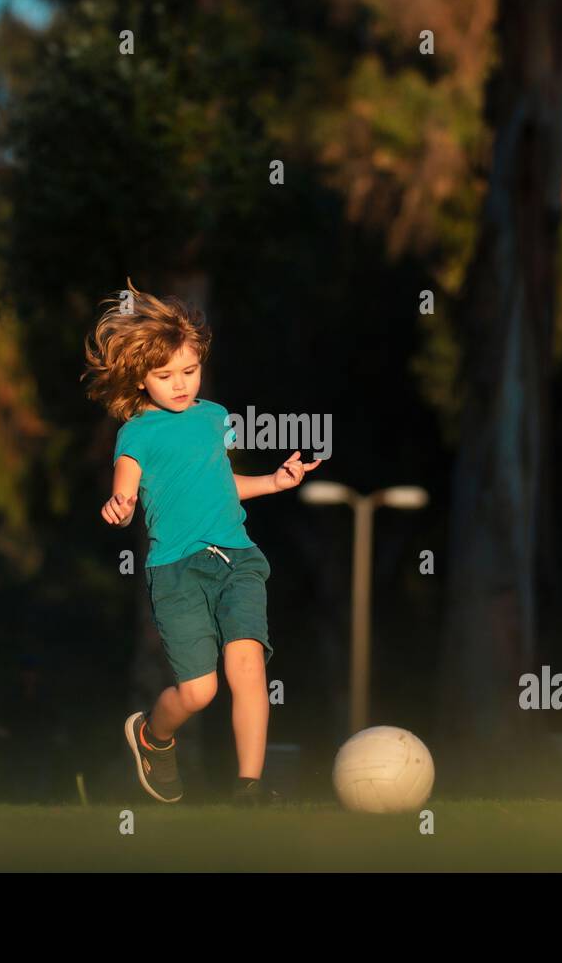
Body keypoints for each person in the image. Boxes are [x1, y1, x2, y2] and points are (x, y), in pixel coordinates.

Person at [82, 280, 319, 806]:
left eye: (190, 371)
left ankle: (249, 787)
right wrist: (119, 505)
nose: (181, 384)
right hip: (177, 570)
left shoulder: (214, 418)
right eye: (165, 376)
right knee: (199, 691)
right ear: (140, 380)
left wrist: (274, 483)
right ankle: (151, 735)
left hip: (238, 558)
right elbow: (125, 487)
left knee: (248, 665)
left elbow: (220, 482)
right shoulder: (136, 433)